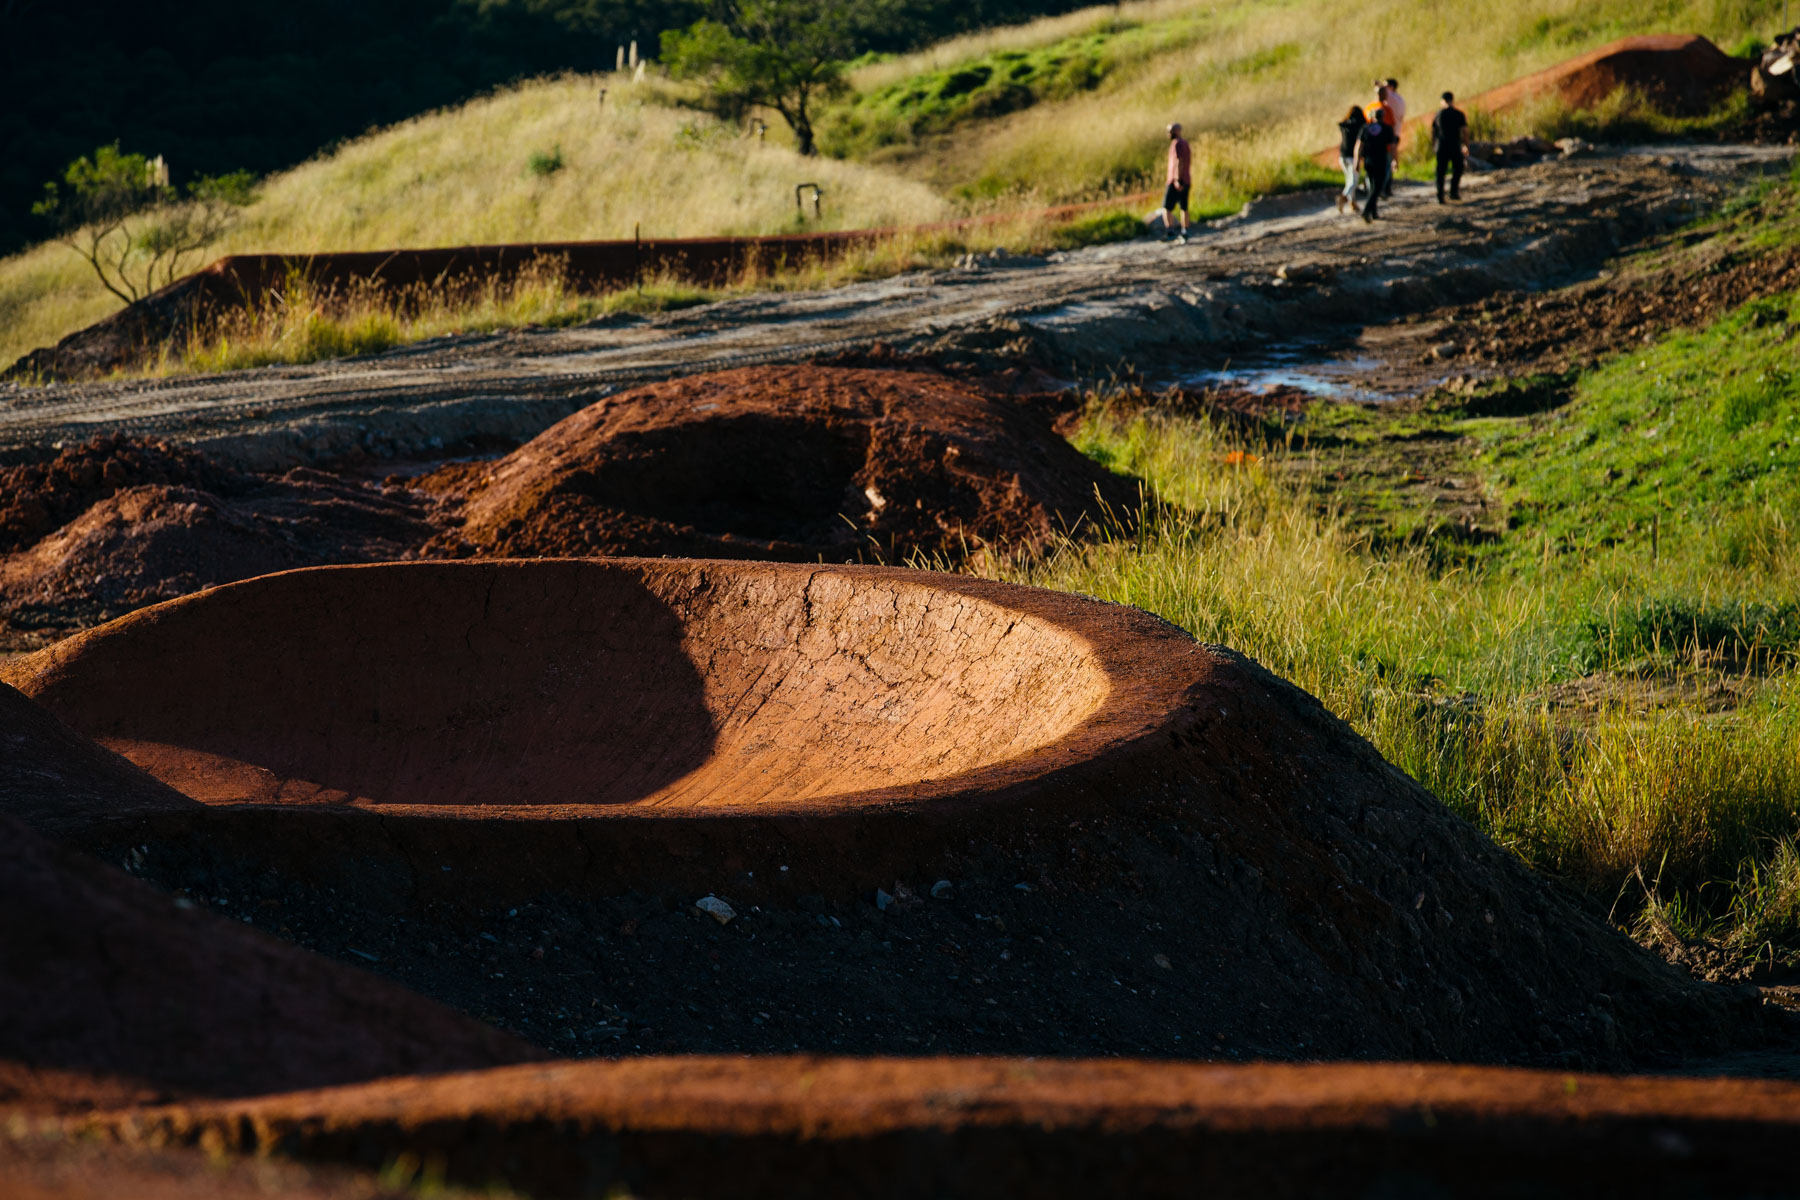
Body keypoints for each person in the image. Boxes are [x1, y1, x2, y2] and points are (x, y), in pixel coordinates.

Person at [1352, 108, 1396, 222]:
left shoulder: (1365, 128)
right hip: (1380, 161)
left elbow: (1358, 146)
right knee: (1377, 188)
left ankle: (1374, 212)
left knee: (1372, 186)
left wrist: (1357, 162)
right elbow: (1392, 147)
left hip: (1368, 161)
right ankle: (1366, 211)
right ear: (1383, 116)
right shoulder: (1387, 128)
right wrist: (1395, 160)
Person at [1431, 90, 1469, 203]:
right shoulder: (1458, 114)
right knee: (1458, 168)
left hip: (1441, 146)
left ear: (1443, 101)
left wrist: (1434, 145)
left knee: (1440, 172)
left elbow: (1433, 131)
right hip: (1455, 146)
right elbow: (1465, 131)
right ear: (1452, 100)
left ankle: (1440, 195)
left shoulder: (1438, 114)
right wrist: (1466, 145)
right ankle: (1453, 192)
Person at [1159, 122, 1192, 243]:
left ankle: (1170, 231)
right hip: (1187, 179)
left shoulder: (1177, 144)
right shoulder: (1185, 143)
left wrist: (1177, 180)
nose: (1169, 134)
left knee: (1166, 207)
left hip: (1176, 181)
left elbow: (1180, 161)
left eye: (1170, 131)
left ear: (1176, 131)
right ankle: (1185, 231)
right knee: (1184, 207)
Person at [1336, 105, 1367, 215]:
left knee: (1349, 180)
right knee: (1353, 182)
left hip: (1342, 156)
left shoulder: (1345, 125)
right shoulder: (1361, 126)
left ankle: (1352, 203)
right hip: (1352, 157)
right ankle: (1343, 197)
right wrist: (1359, 159)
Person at [1381, 78, 1406, 198]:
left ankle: (1383, 188)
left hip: (1390, 135)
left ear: (1391, 87)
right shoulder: (1400, 99)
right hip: (1395, 134)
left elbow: (1382, 92)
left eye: (1386, 86)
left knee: (1386, 162)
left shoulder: (1393, 99)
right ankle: (1387, 188)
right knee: (1388, 162)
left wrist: (1378, 85)